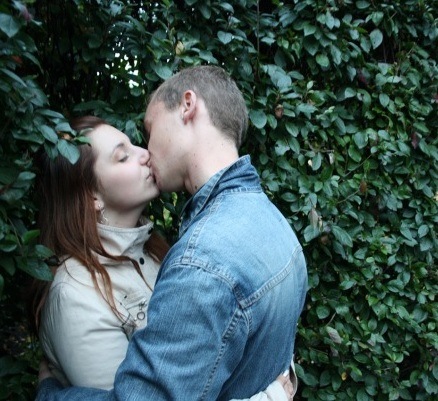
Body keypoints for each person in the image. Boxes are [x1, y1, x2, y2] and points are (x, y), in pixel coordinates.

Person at [36, 65, 307, 400]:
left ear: (187, 106)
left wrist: (51, 395)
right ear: (91, 195)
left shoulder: (194, 260)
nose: (145, 152)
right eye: (123, 156)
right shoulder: (272, 223)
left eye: (148, 131)